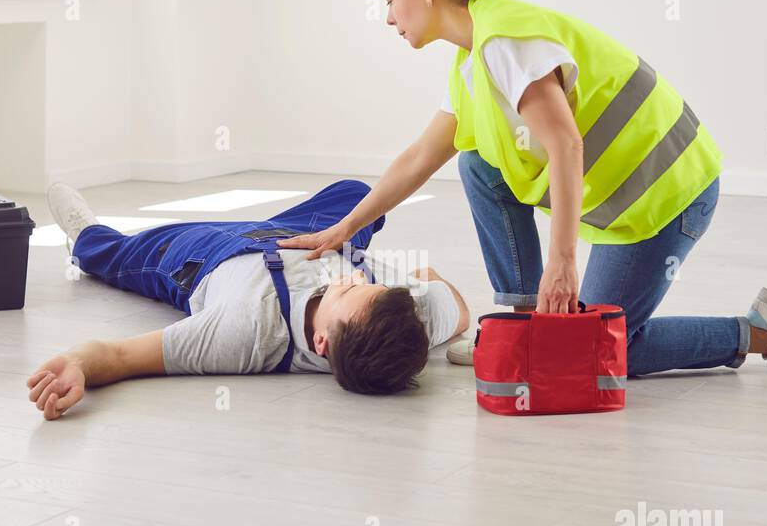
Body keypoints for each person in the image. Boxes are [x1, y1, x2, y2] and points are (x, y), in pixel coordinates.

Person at [279, 0, 767, 376]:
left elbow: (566, 145)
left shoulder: (503, 41)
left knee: (597, 356)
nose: (387, 17)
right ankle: (522, 325)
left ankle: (760, 334)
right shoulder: (472, 59)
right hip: (631, 197)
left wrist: (563, 264)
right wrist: (344, 228)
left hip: (668, 198)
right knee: (477, 163)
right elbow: (421, 158)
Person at [25, 179, 468, 419]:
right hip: (308, 237)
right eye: (370, 282)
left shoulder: (246, 334)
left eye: (349, 289)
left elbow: (121, 356)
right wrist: (414, 285)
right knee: (360, 195)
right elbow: (457, 306)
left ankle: (83, 233)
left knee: (111, 255)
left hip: (206, 253)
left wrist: (78, 362)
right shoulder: (410, 318)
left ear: (321, 344)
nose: (353, 275)